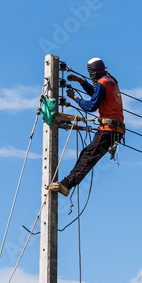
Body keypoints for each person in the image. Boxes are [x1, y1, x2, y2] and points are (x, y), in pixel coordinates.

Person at [48, 57, 125, 196]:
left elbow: (91, 105)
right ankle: (67, 183)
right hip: (115, 129)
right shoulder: (109, 79)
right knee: (87, 154)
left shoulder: (102, 83)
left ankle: (66, 184)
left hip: (109, 128)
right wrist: (81, 81)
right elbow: (97, 95)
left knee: (88, 157)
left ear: (93, 72)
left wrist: (75, 98)